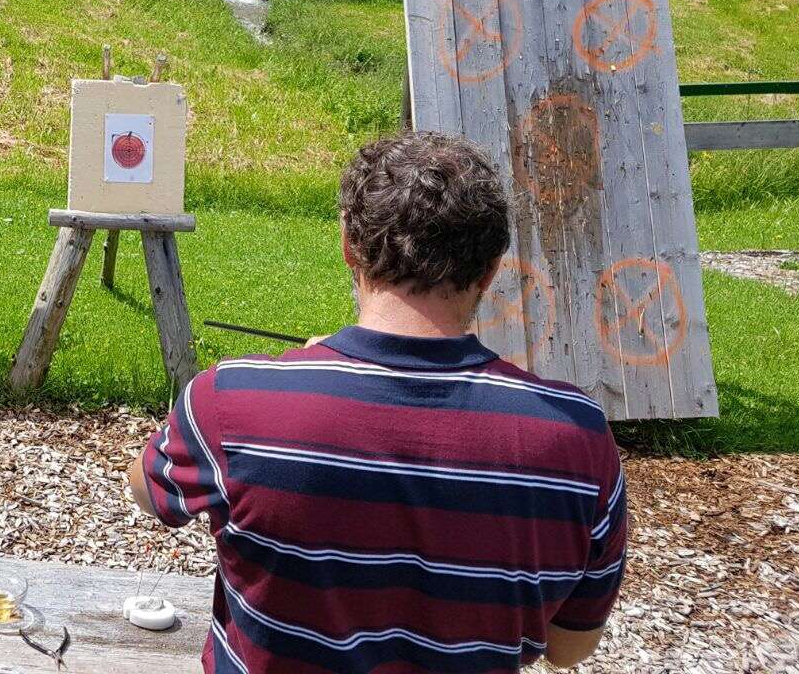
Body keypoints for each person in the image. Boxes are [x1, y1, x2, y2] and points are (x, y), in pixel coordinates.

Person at [128, 132, 626, 673]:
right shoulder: (579, 436)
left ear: (347, 243)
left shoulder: (232, 401)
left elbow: (148, 492)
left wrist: (298, 381)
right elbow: (570, 648)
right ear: (488, 272)